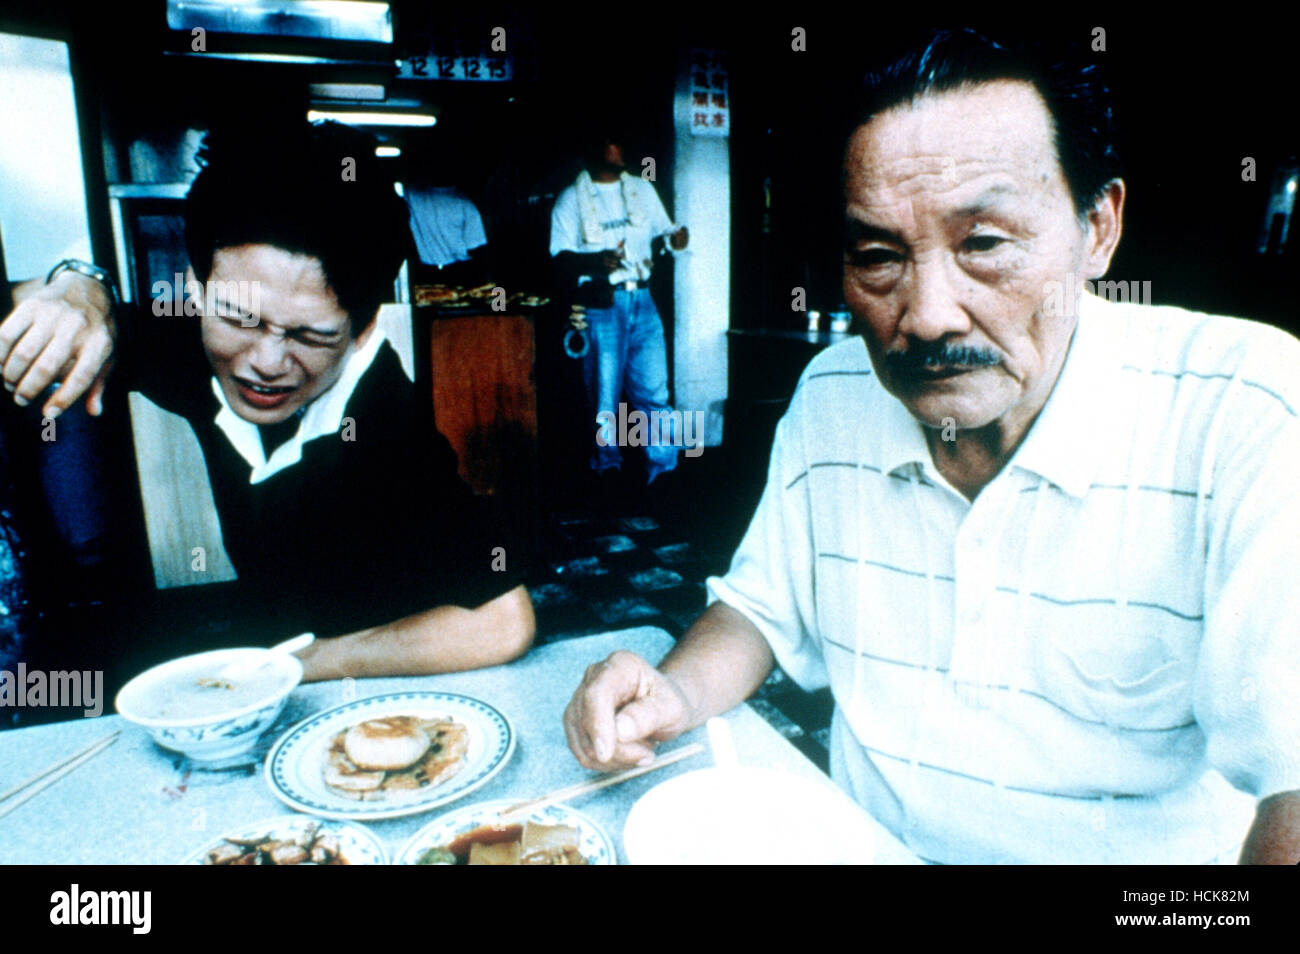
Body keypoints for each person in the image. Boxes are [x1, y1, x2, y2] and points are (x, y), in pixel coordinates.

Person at [562, 30, 1300, 864]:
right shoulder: (833, 395)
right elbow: (760, 609)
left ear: (1099, 228)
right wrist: (674, 690)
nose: (927, 315)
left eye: (984, 243)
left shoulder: (1246, 411)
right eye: (878, 257)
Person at [0, 120, 535, 682]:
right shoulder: (195, 343)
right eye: (238, 318)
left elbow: (504, 621)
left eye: (310, 336)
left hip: (400, 677)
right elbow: (63, 318)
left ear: (361, 329)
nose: (266, 362)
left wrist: (301, 663)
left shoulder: (385, 423)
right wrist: (82, 289)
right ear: (196, 289)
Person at [549, 130, 689, 488]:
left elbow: (666, 231)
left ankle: (664, 469)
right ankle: (606, 468)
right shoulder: (570, 199)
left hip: (643, 300)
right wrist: (596, 261)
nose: (621, 147)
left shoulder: (642, 189)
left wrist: (677, 238)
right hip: (601, 305)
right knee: (604, 396)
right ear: (594, 149)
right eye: (612, 141)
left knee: (655, 392)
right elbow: (559, 258)